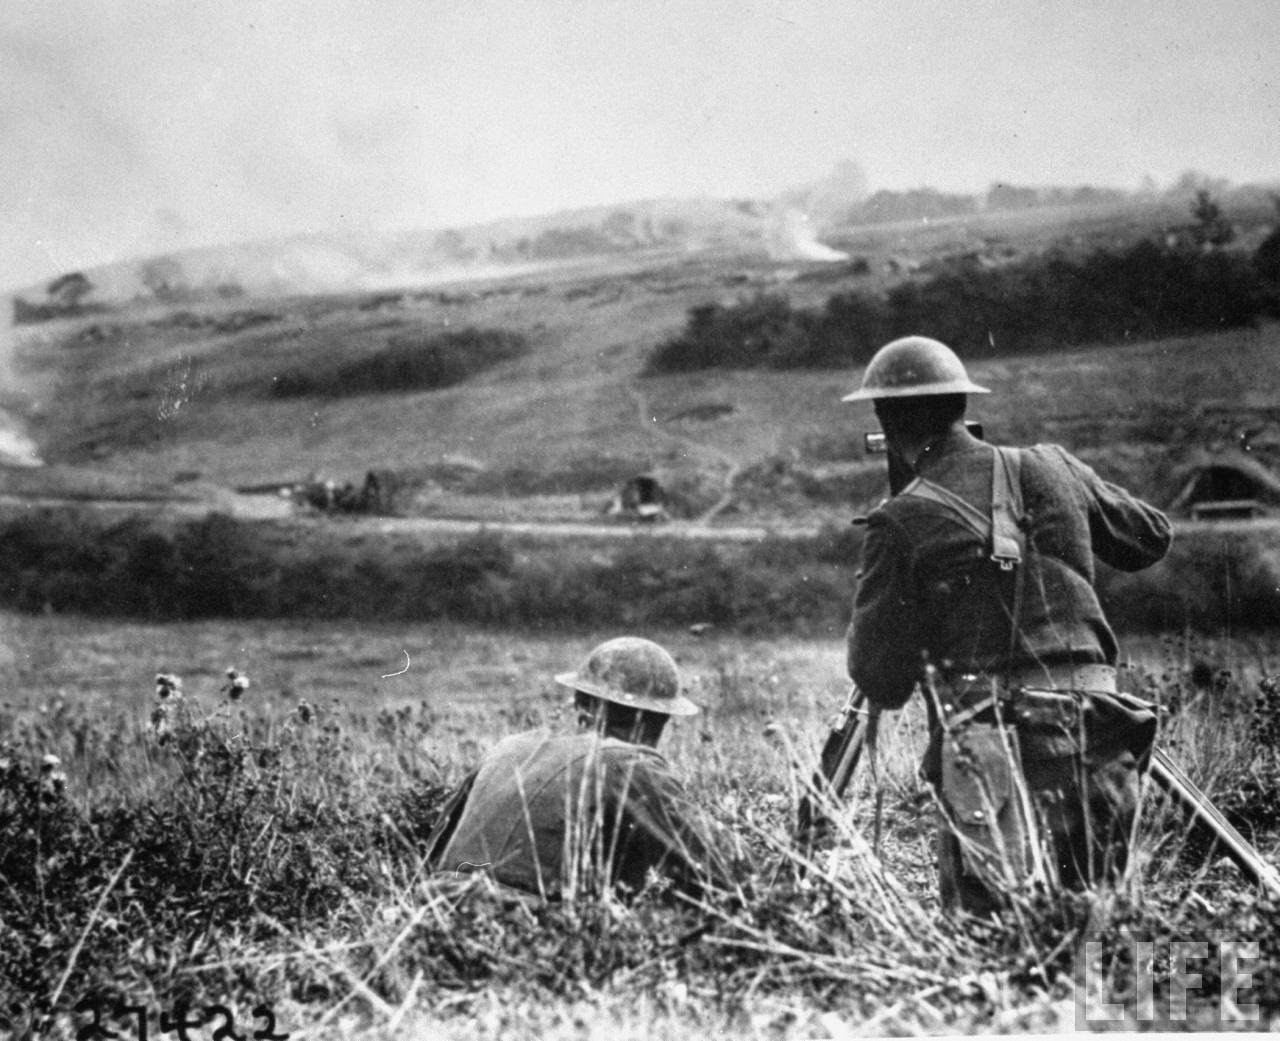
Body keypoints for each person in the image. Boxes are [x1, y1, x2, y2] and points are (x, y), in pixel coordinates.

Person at [842, 336, 1172, 915]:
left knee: (994, 947)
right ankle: (1160, 1000)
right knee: (1107, 931)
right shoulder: (1052, 466)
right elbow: (1149, 537)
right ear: (964, 407)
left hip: (994, 752)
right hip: (1101, 729)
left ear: (885, 420)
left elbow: (881, 680)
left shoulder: (901, 520)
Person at [425, 636, 737, 902]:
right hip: (516, 924)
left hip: (431, 907)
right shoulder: (629, 764)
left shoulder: (510, 746)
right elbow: (725, 869)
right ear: (658, 720)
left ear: (580, 703)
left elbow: (434, 848)